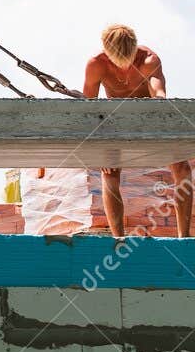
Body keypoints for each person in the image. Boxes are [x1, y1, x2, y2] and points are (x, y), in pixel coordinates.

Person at [82, 23, 192, 239]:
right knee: (109, 171)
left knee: (182, 167)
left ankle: (184, 237)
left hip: (150, 117)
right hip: (115, 121)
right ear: (106, 50)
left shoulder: (149, 59)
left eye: (129, 58)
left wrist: (159, 98)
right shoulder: (96, 64)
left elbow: (159, 95)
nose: (125, 66)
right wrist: (99, 144)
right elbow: (88, 109)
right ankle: (118, 238)